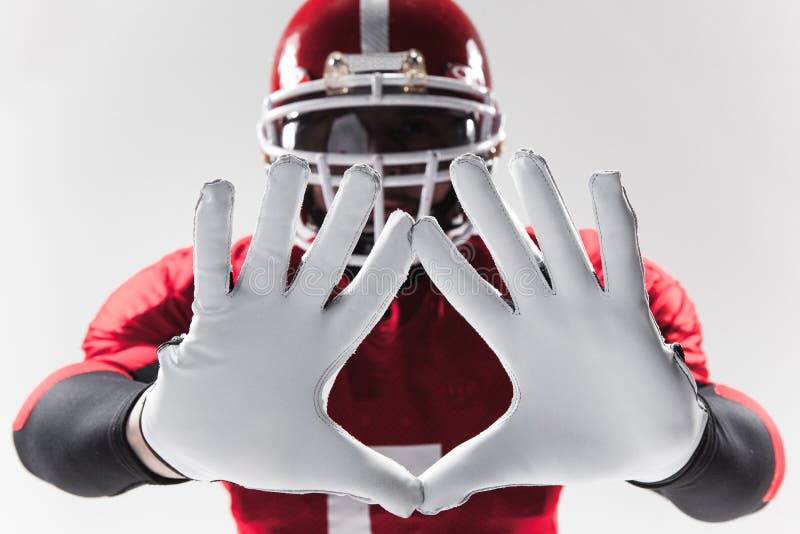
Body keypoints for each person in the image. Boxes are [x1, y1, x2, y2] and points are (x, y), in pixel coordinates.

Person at [13, 1, 785, 532]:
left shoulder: (577, 292)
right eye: (343, 132)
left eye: (419, 125)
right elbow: (44, 431)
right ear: (281, 145)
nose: (383, 164)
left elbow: (752, 477)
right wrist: (149, 434)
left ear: (483, 140)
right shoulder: (214, 297)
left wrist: (685, 448)